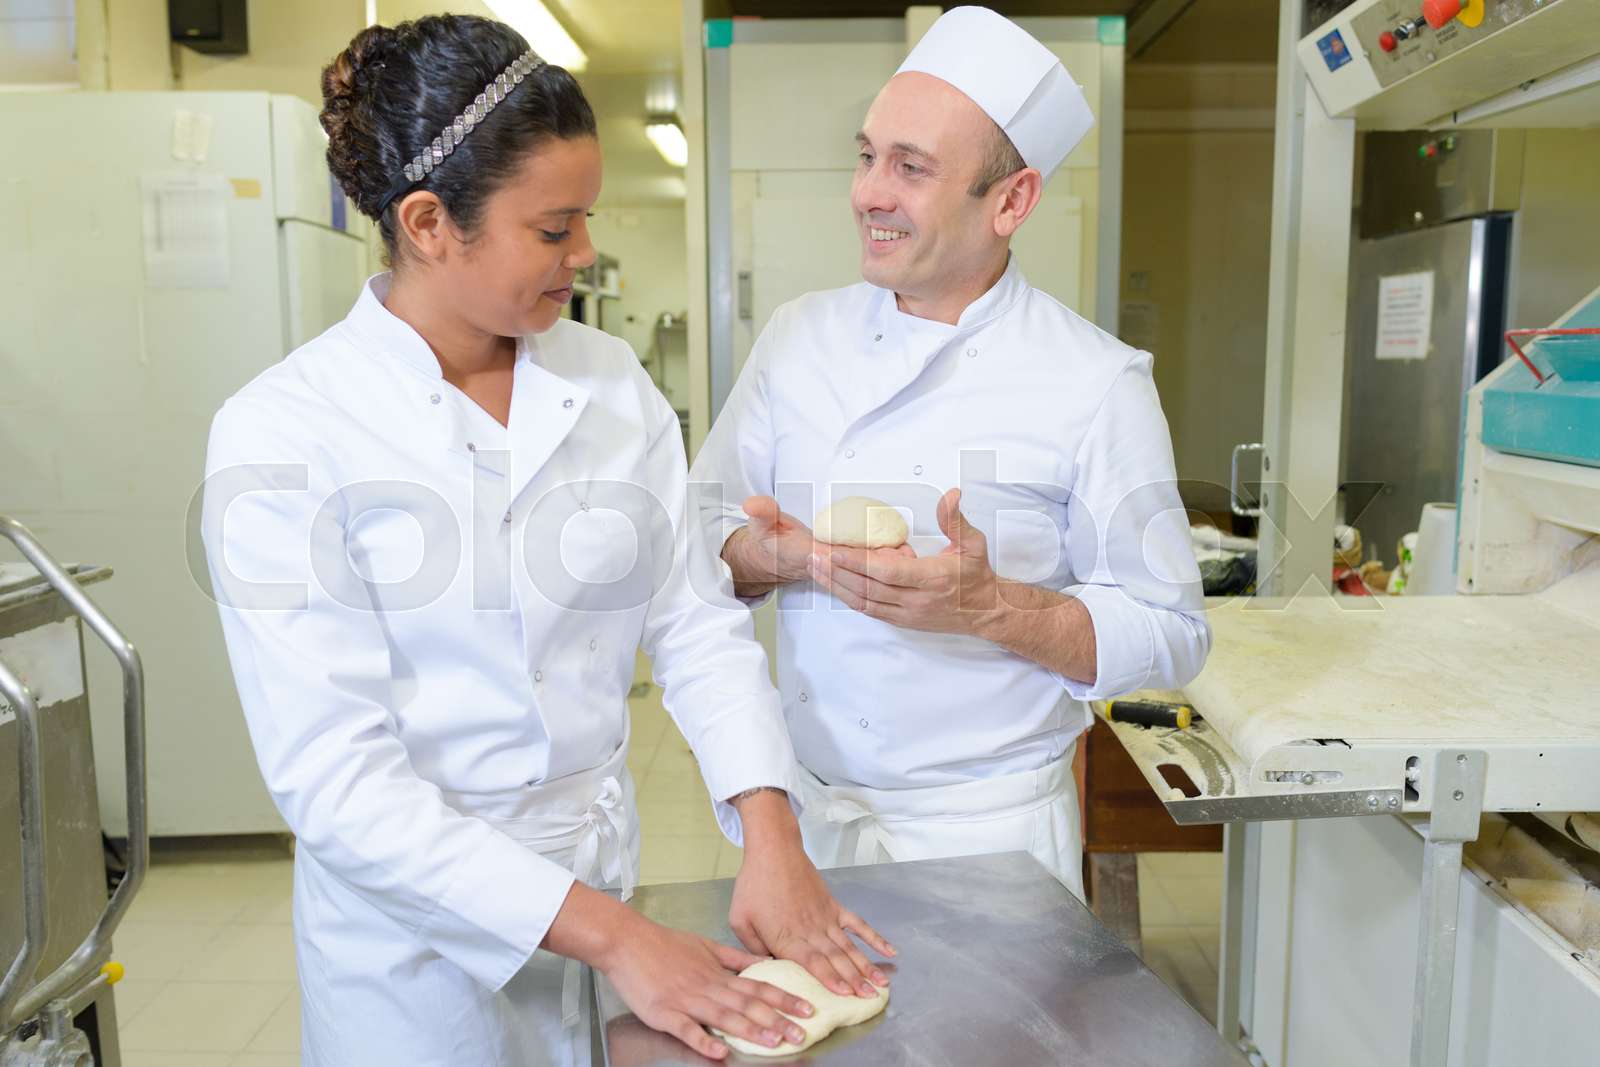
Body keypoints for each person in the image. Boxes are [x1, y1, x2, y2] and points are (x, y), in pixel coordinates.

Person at [201, 16, 887, 1066]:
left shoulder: (608, 384)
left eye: (586, 218)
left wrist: (772, 835)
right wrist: (620, 939)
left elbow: (695, 624)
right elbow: (340, 785)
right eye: (554, 226)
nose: (586, 251)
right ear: (430, 222)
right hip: (414, 956)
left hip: (603, 893)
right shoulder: (285, 432)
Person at [691, 7, 1211, 898]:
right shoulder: (797, 337)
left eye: (911, 167)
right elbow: (702, 525)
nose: (867, 192)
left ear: (1011, 201)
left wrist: (993, 608)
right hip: (816, 823)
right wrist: (769, 556)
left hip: (992, 840)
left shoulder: (1095, 381)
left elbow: (1173, 631)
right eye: (866, 155)